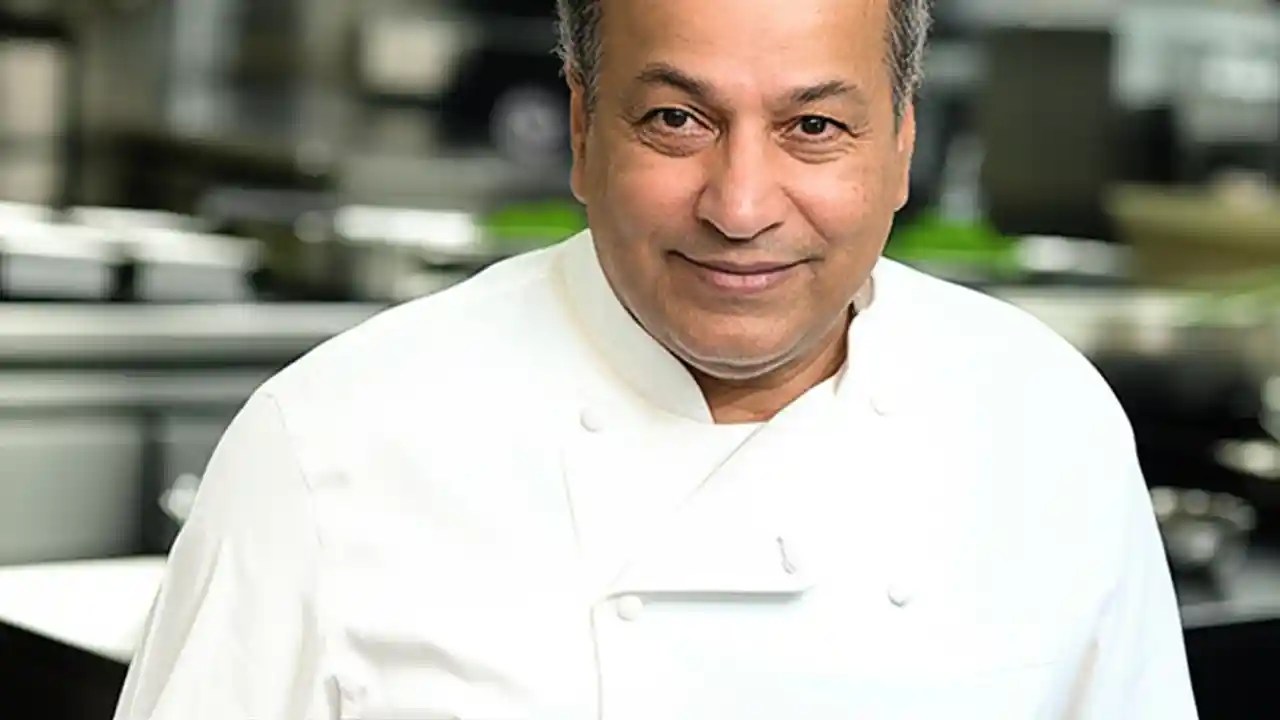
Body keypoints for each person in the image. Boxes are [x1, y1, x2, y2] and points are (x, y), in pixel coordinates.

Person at [113, 0, 1198, 718]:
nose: (738, 206)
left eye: (813, 129)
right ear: (583, 130)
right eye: (676, 119)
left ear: (902, 147)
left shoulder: (1045, 418)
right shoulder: (329, 443)